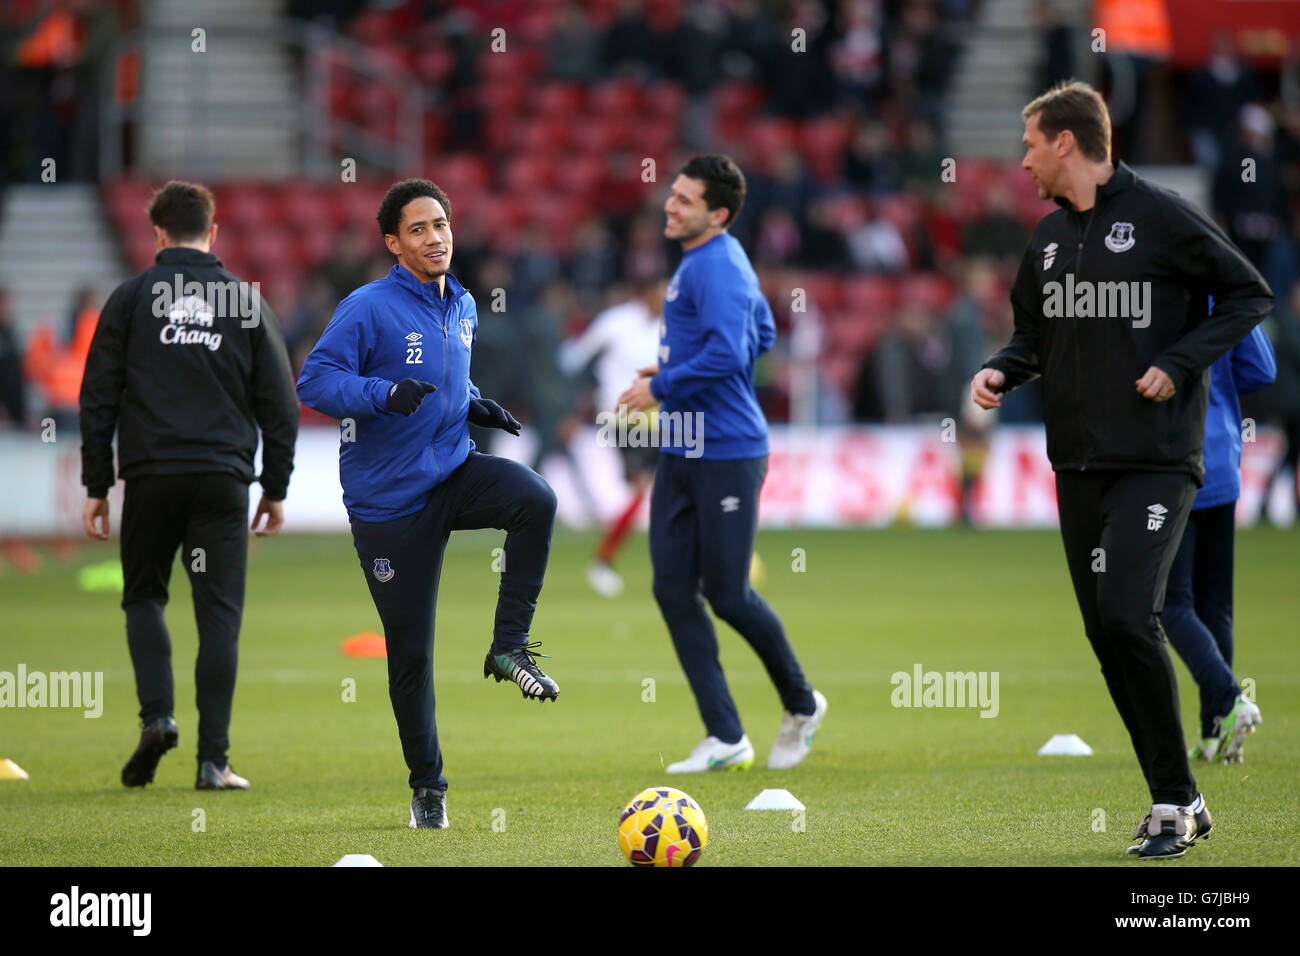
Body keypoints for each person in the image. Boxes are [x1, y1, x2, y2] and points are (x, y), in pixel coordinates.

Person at [971, 82, 1273, 859]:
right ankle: (1180, 797)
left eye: (1031, 144)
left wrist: (1180, 361)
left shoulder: (1162, 216)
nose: (1024, 160)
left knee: (1131, 614)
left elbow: (1250, 293)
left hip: (1156, 462)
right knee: (1106, 632)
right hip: (1077, 463)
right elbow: (1033, 338)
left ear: (1066, 142)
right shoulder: (1046, 240)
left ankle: (1173, 803)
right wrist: (1002, 369)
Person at [296, 179, 558, 830]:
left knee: (535, 499)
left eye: (440, 224)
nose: (435, 237)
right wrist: (382, 395)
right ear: (393, 243)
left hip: (452, 471)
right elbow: (315, 381)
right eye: (418, 229)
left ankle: (509, 647)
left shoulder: (461, 302)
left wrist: (472, 402)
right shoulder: (367, 307)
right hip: (390, 505)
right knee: (411, 653)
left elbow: (444, 374)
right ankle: (428, 789)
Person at [79, 180, 299, 791]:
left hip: (151, 475)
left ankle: (158, 718)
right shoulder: (245, 303)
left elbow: (97, 395)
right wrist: (275, 487)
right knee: (219, 617)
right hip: (222, 480)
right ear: (213, 231)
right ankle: (213, 761)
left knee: (144, 597)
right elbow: (280, 405)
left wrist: (96, 483)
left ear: (157, 233)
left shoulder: (130, 299)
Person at [618, 155, 826, 774]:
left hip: (727, 450)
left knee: (729, 594)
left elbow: (735, 352)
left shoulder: (718, 265)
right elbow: (761, 334)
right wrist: (676, 370)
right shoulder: (708, 260)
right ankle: (726, 735)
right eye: (673, 194)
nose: (670, 204)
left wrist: (663, 385)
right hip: (683, 446)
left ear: (719, 214)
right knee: (671, 587)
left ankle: (802, 703)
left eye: (685, 200)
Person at [1165, 321, 1274, 763]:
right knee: (1215, 606)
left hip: (1173, 465)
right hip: (1223, 465)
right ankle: (1214, 734)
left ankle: (1230, 699)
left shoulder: (1155, 298)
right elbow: (1263, 369)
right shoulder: (1226, 301)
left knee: (1170, 604)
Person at [559, 279, 665, 597]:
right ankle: (602, 561)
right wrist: (569, 408)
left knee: (661, 488)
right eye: (661, 294)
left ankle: (687, 565)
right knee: (643, 485)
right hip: (621, 417)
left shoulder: (675, 326)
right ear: (645, 294)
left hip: (659, 418)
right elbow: (574, 359)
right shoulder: (616, 322)